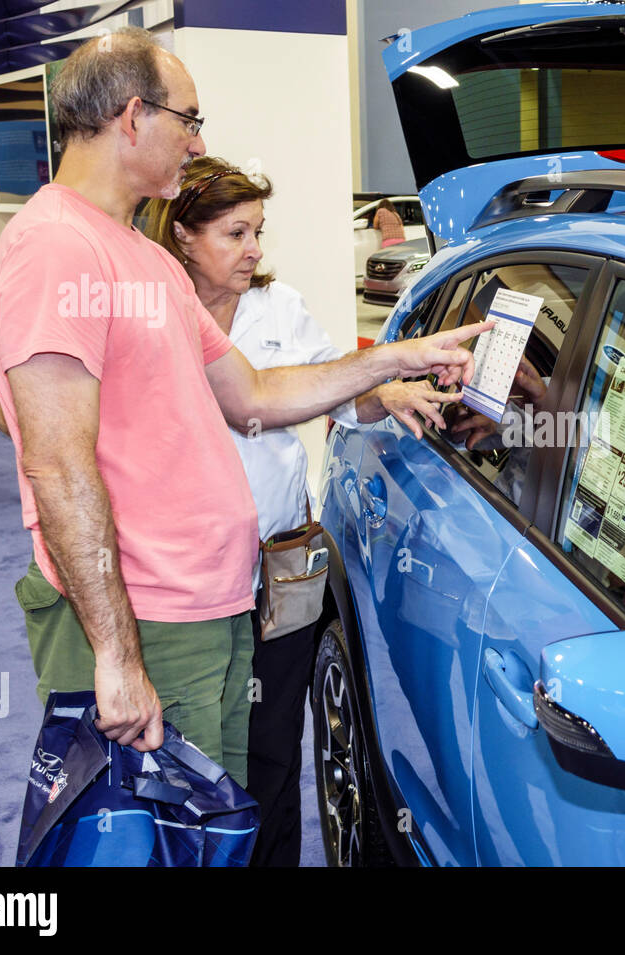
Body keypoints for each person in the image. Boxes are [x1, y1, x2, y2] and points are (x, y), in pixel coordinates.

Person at [0, 27, 486, 790]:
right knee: (161, 830)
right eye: (188, 120)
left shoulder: (145, 260)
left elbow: (253, 394)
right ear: (131, 116)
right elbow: (55, 466)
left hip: (212, 603)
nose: (195, 144)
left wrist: (395, 358)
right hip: (147, 616)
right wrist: (116, 656)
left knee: (212, 824)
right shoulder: (57, 249)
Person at [137, 155, 447, 864]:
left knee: (273, 748)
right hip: (180, 582)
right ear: (182, 234)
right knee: (187, 755)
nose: (254, 250)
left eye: (258, 233)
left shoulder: (279, 310)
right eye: (236, 233)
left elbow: (339, 391)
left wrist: (388, 392)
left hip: (278, 570)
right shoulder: (141, 307)